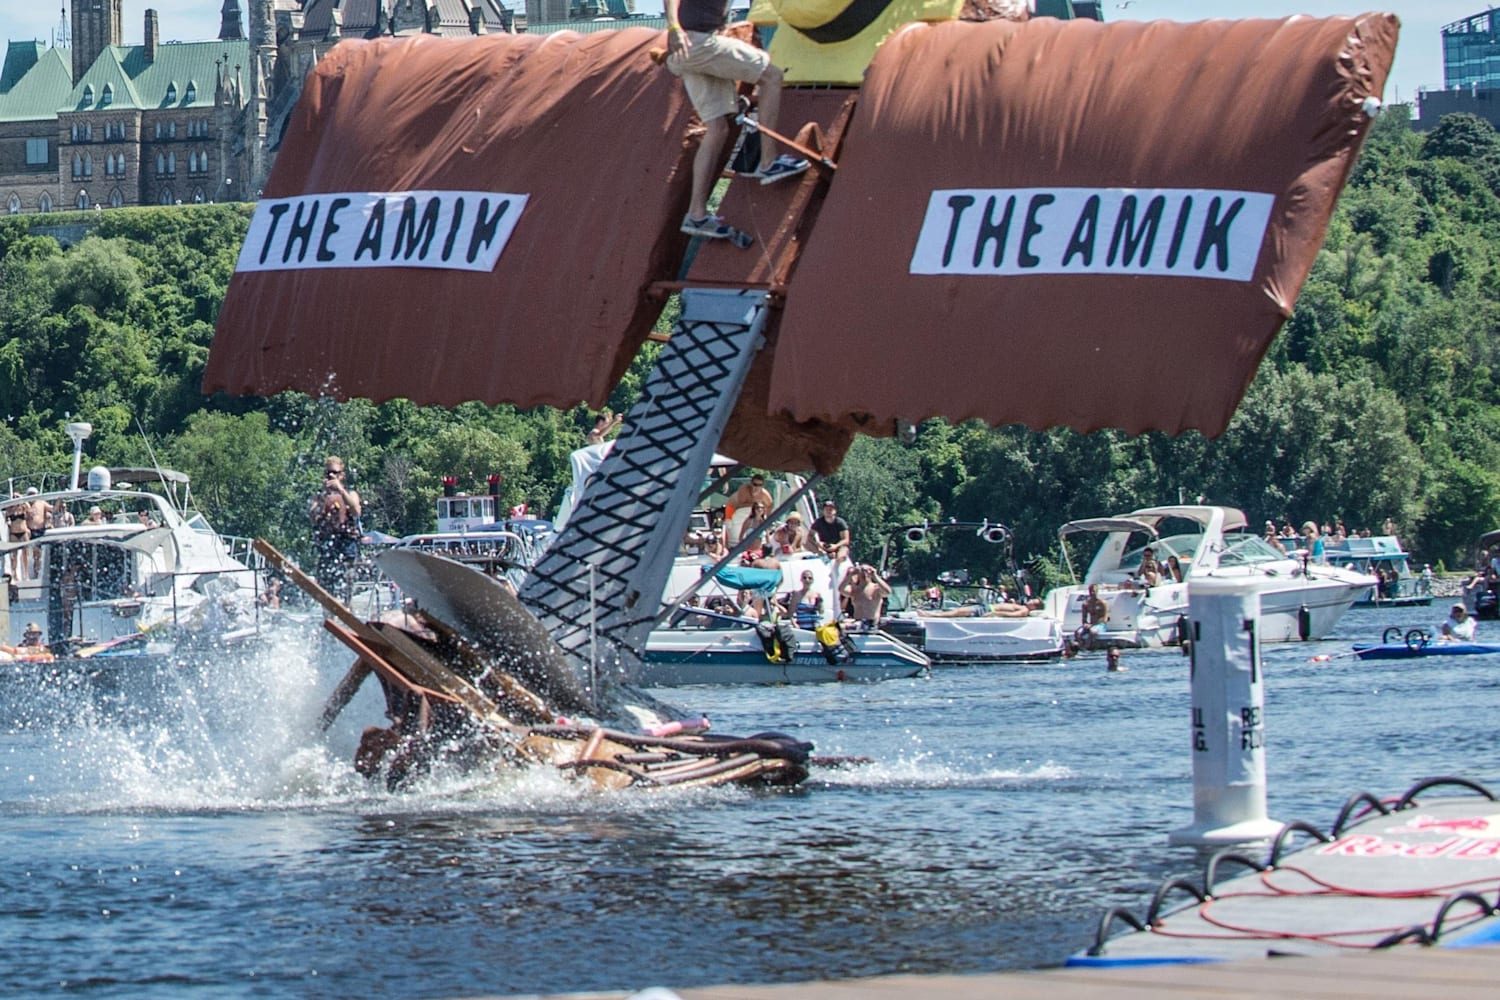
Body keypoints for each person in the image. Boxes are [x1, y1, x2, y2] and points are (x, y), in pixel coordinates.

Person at [663, 0, 810, 240]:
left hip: (688, 50)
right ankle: (768, 161)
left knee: (718, 129)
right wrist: (674, 28)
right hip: (697, 42)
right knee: (772, 76)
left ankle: (697, 214)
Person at [310, 456, 363, 600]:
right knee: (326, 584)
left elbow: (356, 511)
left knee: (348, 580)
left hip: (347, 541)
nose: (332, 476)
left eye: (335, 473)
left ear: (342, 475)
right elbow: (313, 517)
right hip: (327, 542)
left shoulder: (350, 494)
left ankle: (347, 608)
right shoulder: (319, 496)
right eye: (328, 473)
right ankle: (328, 615)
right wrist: (323, 495)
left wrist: (340, 489)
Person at [920, 598, 1044, 619]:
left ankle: (931, 616)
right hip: (987, 607)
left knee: (957, 612)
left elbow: (1013, 615)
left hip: (987, 610)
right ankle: (932, 614)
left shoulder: (1024, 610)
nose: (1031, 600)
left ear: (1035, 607)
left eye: (1034, 602)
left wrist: (994, 613)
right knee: (957, 611)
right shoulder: (1022, 606)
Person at [5, 497, 29, 580]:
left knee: (25, 554)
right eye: (14, 497)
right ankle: (14, 574)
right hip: (14, 534)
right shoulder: (10, 509)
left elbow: (29, 509)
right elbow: (6, 518)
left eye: (16, 497)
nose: (15, 498)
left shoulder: (23, 507)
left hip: (23, 532)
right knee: (14, 555)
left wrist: (21, 498)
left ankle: (26, 574)